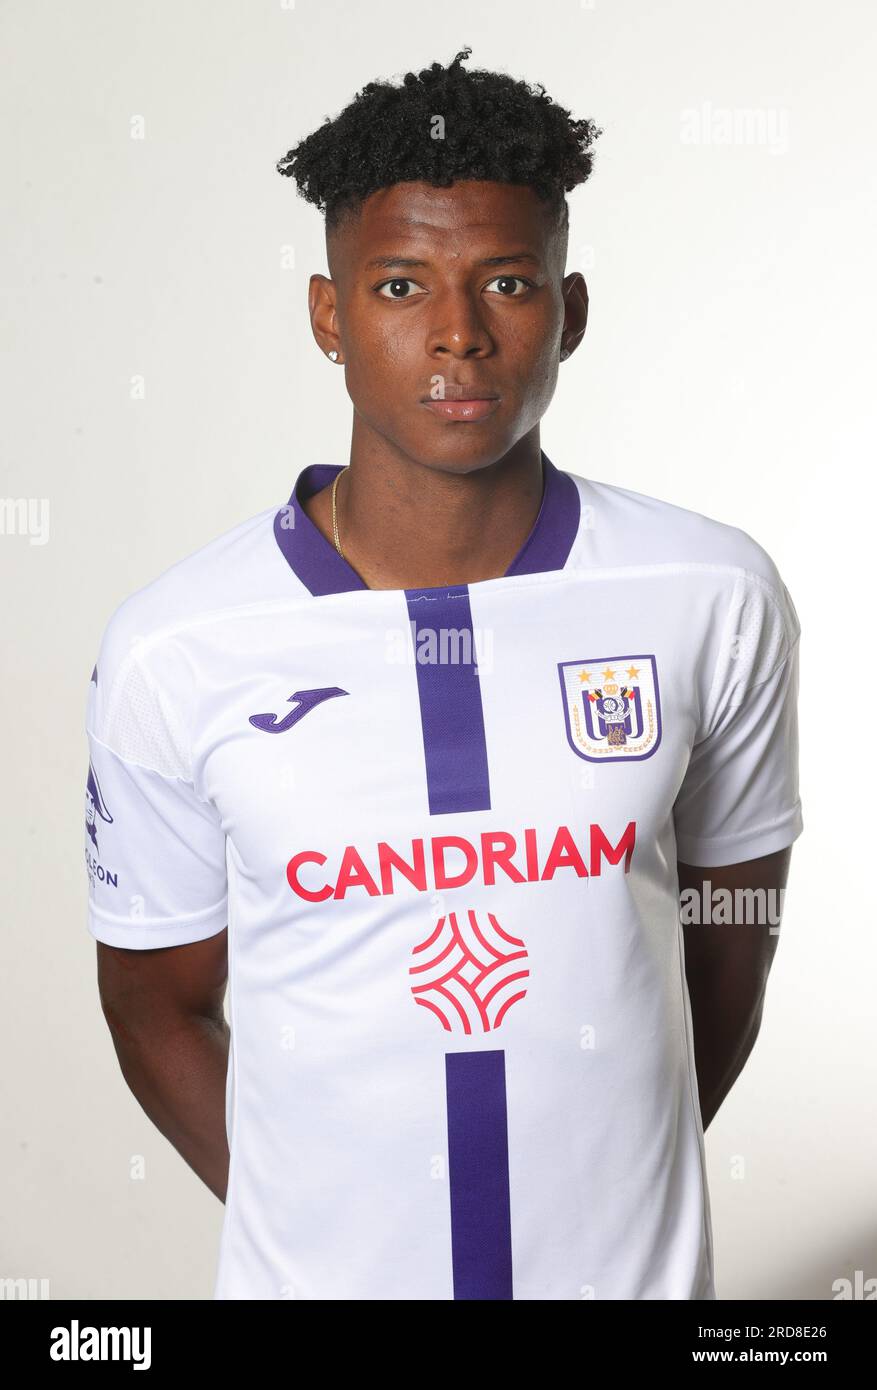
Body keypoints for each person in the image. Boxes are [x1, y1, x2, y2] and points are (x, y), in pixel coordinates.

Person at [85, 47, 802, 1300]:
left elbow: (726, 938)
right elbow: (154, 1001)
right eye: (402, 284)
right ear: (328, 315)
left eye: (507, 283)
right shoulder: (179, 645)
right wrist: (323, 1225)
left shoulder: (706, 593)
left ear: (568, 311)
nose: (459, 334)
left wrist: (606, 1184)